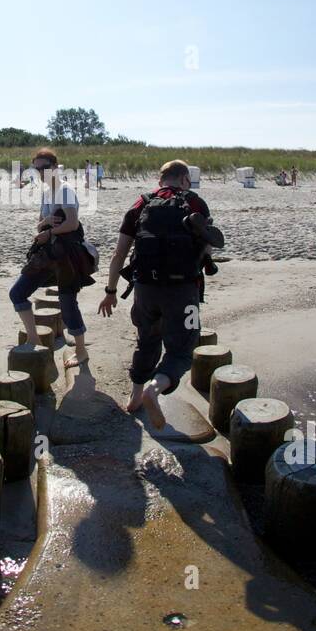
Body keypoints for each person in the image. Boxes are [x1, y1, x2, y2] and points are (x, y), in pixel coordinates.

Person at [97, 160, 224, 431]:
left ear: (160, 179)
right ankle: (154, 390)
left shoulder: (141, 203)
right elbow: (208, 249)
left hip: (144, 289)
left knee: (147, 341)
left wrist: (110, 291)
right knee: (182, 350)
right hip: (184, 291)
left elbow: (119, 254)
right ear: (185, 179)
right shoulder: (196, 204)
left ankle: (134, 397)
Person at [8, 149, 92, 355]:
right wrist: (45, 224)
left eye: (45, 167)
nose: (41, 172)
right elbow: (39, 226)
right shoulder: (47, 192)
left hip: (66, 256)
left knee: (68, 303)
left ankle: (81, 352)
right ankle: (33, 338)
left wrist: (50, 232)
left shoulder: (65, 190)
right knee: (17, 293)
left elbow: (72, 223)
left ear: (55, 167)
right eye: (37, 168)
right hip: (46, 255)